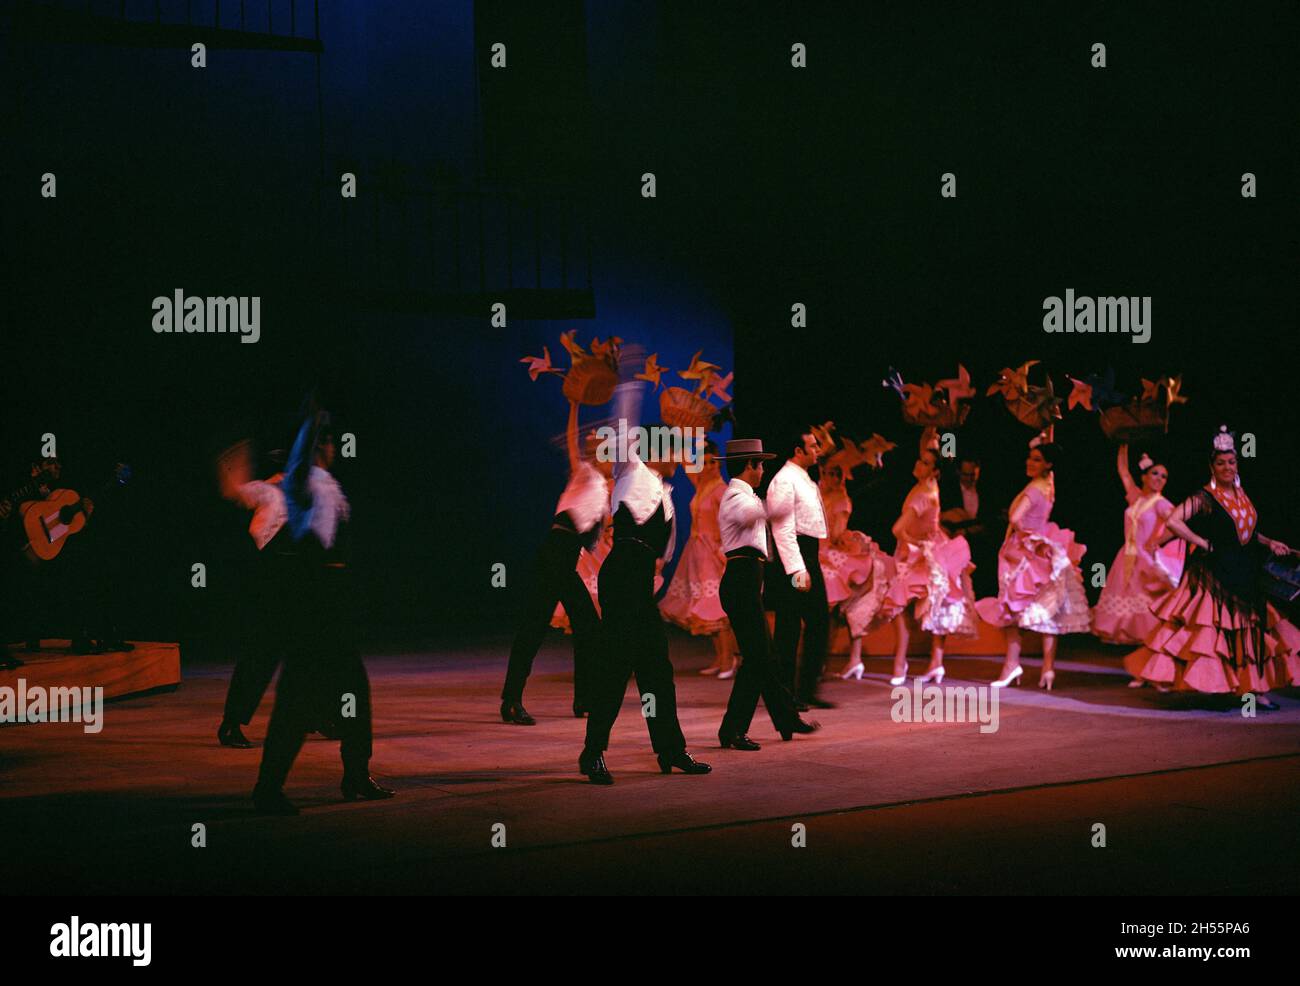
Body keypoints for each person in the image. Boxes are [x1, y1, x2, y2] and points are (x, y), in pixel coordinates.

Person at [251, 405, 394, 814]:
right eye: (327, 441)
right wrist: (311, 422)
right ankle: (268, 788)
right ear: (319, 446)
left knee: (353, 692)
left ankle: (355, 774)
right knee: (296, 700)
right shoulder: (303, 485)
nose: (334, 448)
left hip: (330, 604)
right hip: (314, 606)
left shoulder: (326, 484)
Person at [579, 382, 711, 785]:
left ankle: (670, 749)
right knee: (616, 667)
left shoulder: (667, 495)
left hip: (639, 580)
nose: (681, 459)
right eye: (676, 451)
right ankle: (593, 752)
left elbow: (663, 551)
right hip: (622, 574)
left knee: (656, 671)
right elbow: (623, 426)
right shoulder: (631, 470)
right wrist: (629, 388)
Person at [1124, 427, 1299, 706]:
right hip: (1215, 572)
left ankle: (1252, 689)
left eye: (1231, 462)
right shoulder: (1204, 497)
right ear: (1212, 467)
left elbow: (1247, 532)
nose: (1227, 467)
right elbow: (1173, 521)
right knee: (1216, 631)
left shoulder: (1241, 493)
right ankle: (1227, 686)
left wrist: (1270, 542)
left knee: (1250, 629)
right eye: (1221, 463)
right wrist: (1201, 542)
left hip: (1245, 567)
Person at [501, 404, 606, 724]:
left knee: (583, 626)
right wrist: (574, 404)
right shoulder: (584, 474)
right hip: (555, 553)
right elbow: (573, 442)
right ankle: (513, 701)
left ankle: (582, 699)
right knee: (538, 627)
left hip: (565, 557)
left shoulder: (606, 486)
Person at [715, 439, 819, 750]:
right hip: (740, 582)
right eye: (760, 464)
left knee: (762, 657)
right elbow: (751, 515)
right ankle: (734, 729)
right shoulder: (736, 496)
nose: (763, 470)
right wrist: (780, 506)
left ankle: (784, 719)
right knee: (758, 658)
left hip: (747, 582)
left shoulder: (745, 495)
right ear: (749, 465)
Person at [848, 442, 977, 685]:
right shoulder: (928, 486)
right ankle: (932, 662)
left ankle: (905, 663)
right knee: (930, 604)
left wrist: (914, 543)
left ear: (935, 472)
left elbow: (897, 529)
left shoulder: (923, 495)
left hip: (921, 553)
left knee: (905, 605)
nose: (918, 465)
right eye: (920, 460)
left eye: (926, 463)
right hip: (925, 548)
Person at [975, 440, 1091, 690]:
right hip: (1043, 549)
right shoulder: (1048, 485)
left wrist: (1023, 534)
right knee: (1047, 612)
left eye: (1037, 459)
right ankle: (1047, 669)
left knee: (1012, 610)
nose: (1030, 462)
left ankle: (1012, 664)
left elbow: (1015, 517)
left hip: (1025, 553)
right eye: (1030, 457)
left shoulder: (1035, 489)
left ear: (1048, 464)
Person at [214, 441, 289, 748]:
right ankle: (231, 723)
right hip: (270, 576)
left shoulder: (308, 493)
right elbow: (235, 492)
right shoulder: (271, 490)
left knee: (310, 650)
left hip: (293, 577)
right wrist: (233, 464)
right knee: (262, 652)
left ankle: (317, 715)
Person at [1092, 444, 1184, 653]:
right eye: (1155, 473)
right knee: (1127, 605)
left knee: (1145, 605)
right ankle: (1134, 654)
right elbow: (1123, 472)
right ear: (1144, 477)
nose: (1159, 479)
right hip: (1126, 557)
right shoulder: (1137, 497)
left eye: (1164, 476)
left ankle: (1153, 655)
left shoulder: (1161, 503)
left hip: (1144, 559)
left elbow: (1176, 524)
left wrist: (1157, 541)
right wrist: (1122, 444)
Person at [766, 426, 834, 710]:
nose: (818, 450)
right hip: (794, 559)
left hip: (809, 555)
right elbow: (782, 529)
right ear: (798, 450)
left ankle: (807, 689)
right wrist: (796, 569)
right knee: (789, 625)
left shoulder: (804, 477)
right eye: (813, 446)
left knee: (818, 622)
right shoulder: (784, 480)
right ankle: (785, 693)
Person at [659, 442, 739, 678]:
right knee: (704, 606)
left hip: (713, 551)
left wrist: (724, 551)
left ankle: (729, 660)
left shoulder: (722, 490)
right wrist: (684, 436)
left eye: (713, 462)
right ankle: (719, 658)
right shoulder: (702, 485)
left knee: (717, 607)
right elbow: (686, 463)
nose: (709, 466)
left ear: (719, 464)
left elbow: (731, 524)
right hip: (696, 552)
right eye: (704, 462)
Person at [940, 455, 998, 597]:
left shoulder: (986, 491)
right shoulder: (948, 491)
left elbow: (990, 521)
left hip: (979, 547)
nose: (970, 479)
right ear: (959, 472)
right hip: (955, 547)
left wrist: (968, 531)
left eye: (973, 475)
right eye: (966, 475)